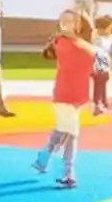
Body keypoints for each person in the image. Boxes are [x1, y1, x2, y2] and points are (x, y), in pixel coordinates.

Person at [33, 9, 96, 188]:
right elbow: (84, 53)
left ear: (77, 24)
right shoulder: (62, 42)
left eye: (70, 20)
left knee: (62, 130)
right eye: (63, 21)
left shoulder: (80, 43)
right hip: (64, 95)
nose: (65, 24)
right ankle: (68, 173)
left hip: (77, 95)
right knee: (72, 134)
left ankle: (43, 158)